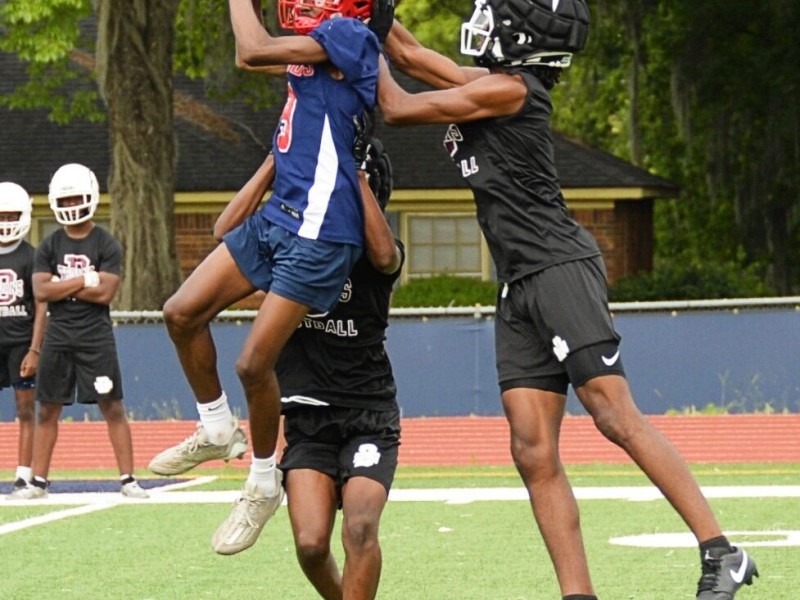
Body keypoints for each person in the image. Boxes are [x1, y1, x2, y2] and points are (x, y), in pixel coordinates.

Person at [375, 2, 758, 599]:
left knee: (613, 414)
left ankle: (722, 551)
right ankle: (578, 595)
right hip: (519, 279)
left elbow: (395, 106)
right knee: (531, 447)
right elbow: (408, 55)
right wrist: (366, 13)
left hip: (558, 267)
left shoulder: (510, 89)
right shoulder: (493, 83)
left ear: (524, 38)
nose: (486, 19)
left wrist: (348, 37)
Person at [148, 0, 395, 555]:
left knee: (253, 363)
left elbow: (251, 50)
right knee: (180, 312)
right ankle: (215, 428)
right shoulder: (316, 37)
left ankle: (262, 481)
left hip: (321, 231)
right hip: (281, 213)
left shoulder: (352, 36)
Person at [13, 163, 148, 500]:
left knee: (111, 405)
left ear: (90, 197)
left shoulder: (106, 243)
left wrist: (64, 285)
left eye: (77, 199)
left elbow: (105, 292)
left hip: (95, 336)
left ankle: (128, 479)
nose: (72, 206)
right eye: (66, 200)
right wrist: (86, 279)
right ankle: (39, 482)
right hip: (58, 335)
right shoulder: (48, 245)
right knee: (49, 407)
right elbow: (42, 291)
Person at [0, 182, 47, 498]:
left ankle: (23, 475)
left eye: (11, 216)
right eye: (1, 216)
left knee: (25, 408)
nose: (5, 223)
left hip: (20, 343)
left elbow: (42, 305)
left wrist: (34, 349)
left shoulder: (33, 257)